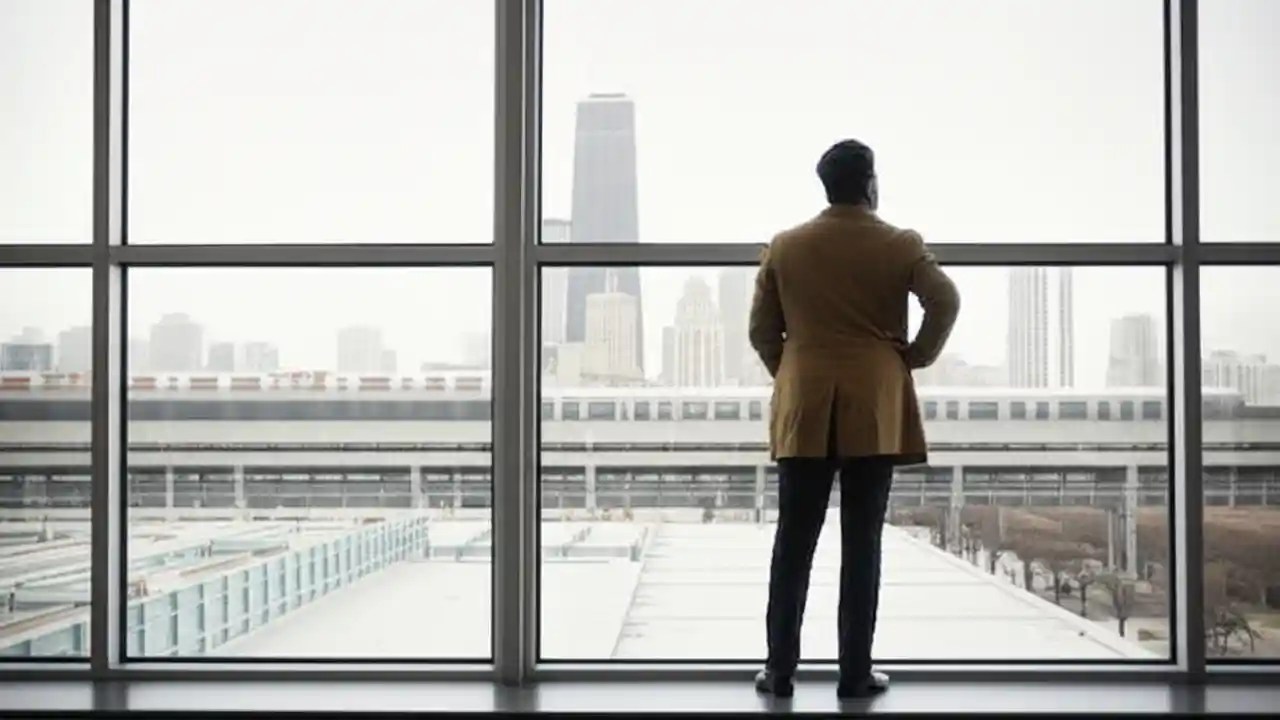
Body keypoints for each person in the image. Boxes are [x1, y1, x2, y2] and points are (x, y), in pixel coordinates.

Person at [749, 139, 960, 700]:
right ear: (870, 184)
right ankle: (854, 674)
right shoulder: (899, 243)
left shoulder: (785, 247)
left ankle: (779, 672)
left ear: (826, 186)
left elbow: (761, 331)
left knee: (793, 541)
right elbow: (946, 300)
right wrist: (912, 356)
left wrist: (793, 370)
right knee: (861, 542)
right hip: (874, 404)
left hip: (805, 404)